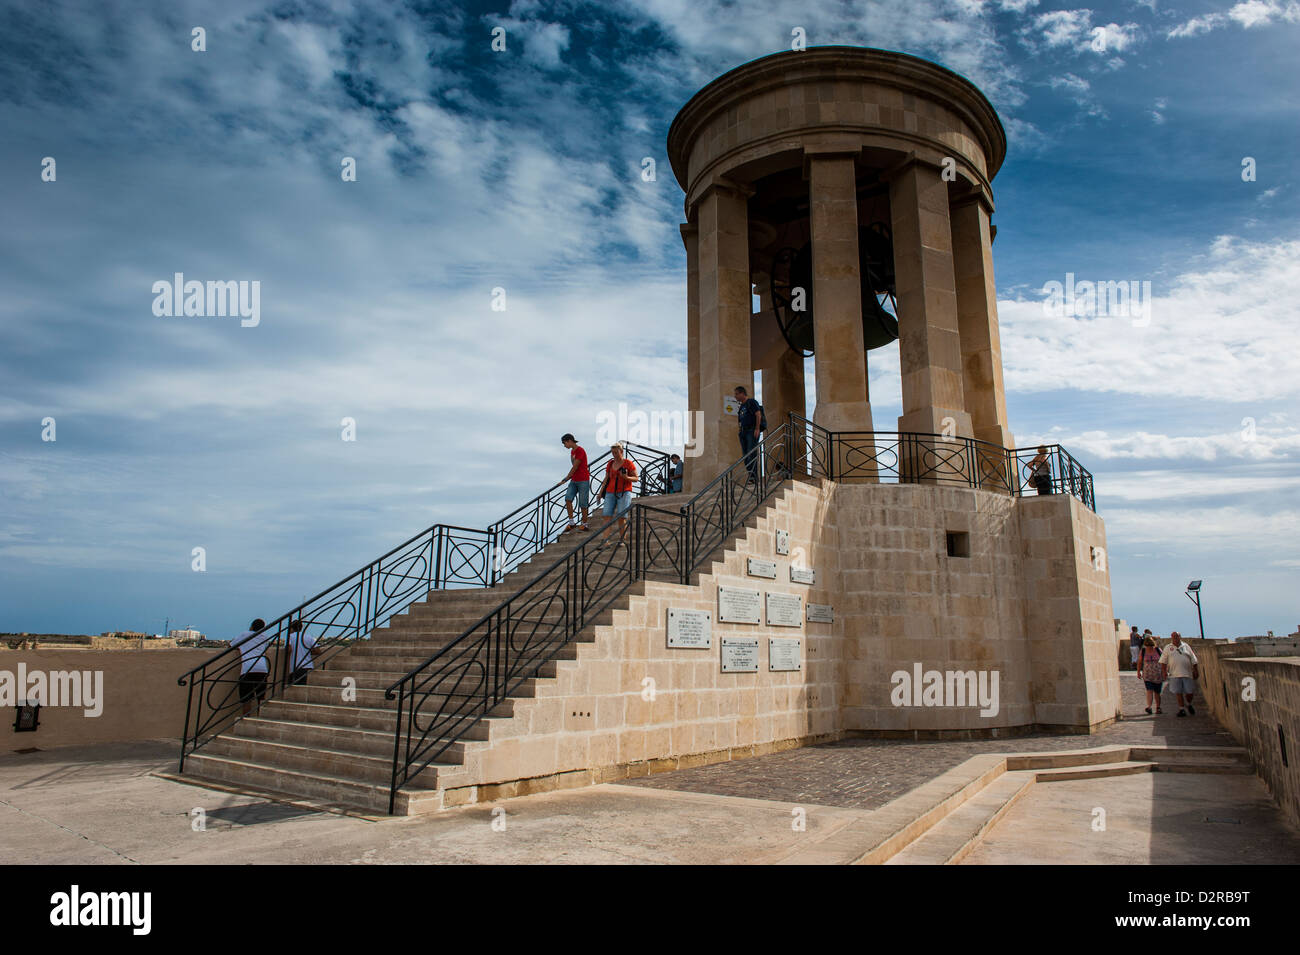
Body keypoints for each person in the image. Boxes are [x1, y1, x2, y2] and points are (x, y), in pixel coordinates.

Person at [597, 443, 638, 545]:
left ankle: (622, 539)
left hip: (624, 491)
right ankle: (605, 540)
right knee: (606, 515)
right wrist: (600, 492)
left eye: (616, 452)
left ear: (621, 452)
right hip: (610, 492)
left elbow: (636, 478)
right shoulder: (610, 464)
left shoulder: (628, 463)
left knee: (621, 516)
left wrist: (626, 477)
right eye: (612, 452)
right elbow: (606, 478)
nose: (614, 454)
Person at [233, 618, 271, 715]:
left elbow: (232, 645)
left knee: (247, 699)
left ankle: (246, 720)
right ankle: (261, 719)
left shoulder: (245, 634)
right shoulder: (265, 637)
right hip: (263, 669)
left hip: (248, 669)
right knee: (261, 698)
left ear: (252, 626)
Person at [1159, 630, 1199, 717]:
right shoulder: (1168, 648)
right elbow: (1163, 661)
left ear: (1180, 637)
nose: (1175, 638)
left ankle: (1188, 703)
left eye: (1177, 636)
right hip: (1174, 674)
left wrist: (1196, 670)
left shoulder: (1186, 646)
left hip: (1187, 673)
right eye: (1173, 637)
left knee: (1189, 692)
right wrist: (1164, 672)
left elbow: (1193, 659)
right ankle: (1181, 709)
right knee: (1178, 692)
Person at [560, 433, 591, 532]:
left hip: (583, 480)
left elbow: (575, 466)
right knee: (568, 498)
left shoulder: (580, 450)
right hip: (574, 480)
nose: (564, 446)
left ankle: (585, 523)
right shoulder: (572, 451)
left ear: (569, 441)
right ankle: (571, 522)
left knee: (583, 502)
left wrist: (566, 479)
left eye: (564, 443)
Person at [734, 385, 764, 481]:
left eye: (737, 394)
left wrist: (757, 428)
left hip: (751, 430)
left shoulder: (751, 402)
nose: (735, 396)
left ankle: (754, 477)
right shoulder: (741, 406)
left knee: (751, 453)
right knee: (746, 456)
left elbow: (758, 414)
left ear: (742, 393)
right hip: (743, 432)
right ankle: (751, 476)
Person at [287, 619, 318, 686]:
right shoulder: (309, 637)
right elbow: (318, 651)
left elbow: (289, 650)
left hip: (296, 667)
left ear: (292, 628)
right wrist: (307, 651)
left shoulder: (290, 637)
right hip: (308, 666)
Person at [1139, 635, 1164, 714]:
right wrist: (1138, 671)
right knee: (1149, 690)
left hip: (1157, 675)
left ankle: (1158, 707)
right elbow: (1139, 662)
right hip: (1147, 675)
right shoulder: (1143, 651)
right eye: (1148, 645)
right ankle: (1149, 707)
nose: (1149, 647)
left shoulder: (1158, 650)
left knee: (1157, 692)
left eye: (1151, 645)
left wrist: (1164, 671)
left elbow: (1164, 661)